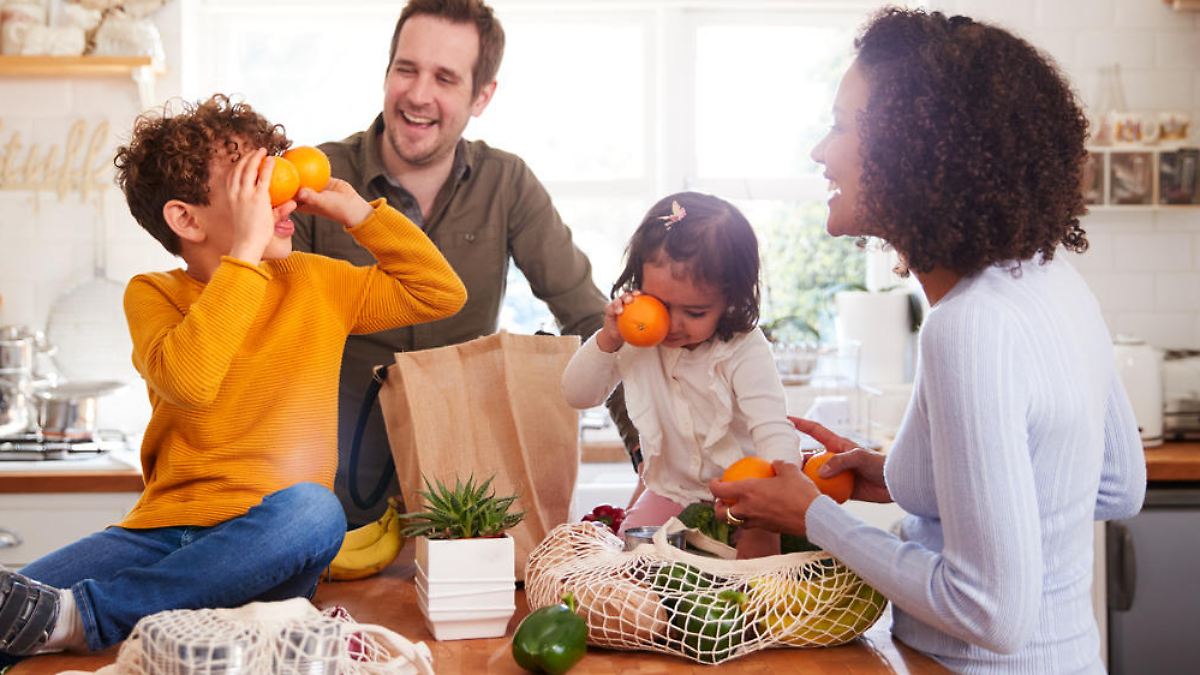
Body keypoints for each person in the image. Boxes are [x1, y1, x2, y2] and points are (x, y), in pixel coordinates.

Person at [708, 9, 1146, 672]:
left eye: (842, 126)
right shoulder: (1051, 278)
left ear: (912, 149)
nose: (819, 152)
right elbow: (1114, 484)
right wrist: (903, 478)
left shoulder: (968, 327)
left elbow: (989, 612)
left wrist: (813, 516)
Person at [0, 94, 466, 662]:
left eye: (276, 170)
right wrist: (245, 252)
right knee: (10, 612)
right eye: (254, 182)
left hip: (268, 548)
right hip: (159, 538)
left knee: (317, 511)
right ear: (186, 218)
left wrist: (361, 216)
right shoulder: (154, 293)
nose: (281, 193)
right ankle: (136, 608)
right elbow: (191, 379)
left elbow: (440, 292)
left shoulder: (316, 283)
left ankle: (95, 615)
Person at [290, 0, 635, 527]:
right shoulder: (317, 179)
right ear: (387, 72)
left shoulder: (508, 184)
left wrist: (648, 457)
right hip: (330, 490)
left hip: (462, 494)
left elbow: (592, 320)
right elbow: (267, 331)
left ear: (482, 96)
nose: (418, 94)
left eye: (445, 78)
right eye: (407, 69)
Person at [561, 191, 801, 559]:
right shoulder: (634, 335)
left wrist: (771, 513)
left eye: (695, 311)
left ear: (731, 300)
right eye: (660, 303)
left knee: (754, 573)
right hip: (672, 490)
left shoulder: (744, 348)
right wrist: (608, 338)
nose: (672, 325)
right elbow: (578, 395)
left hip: (747, 495)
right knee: (634, 561)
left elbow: (772, 431)